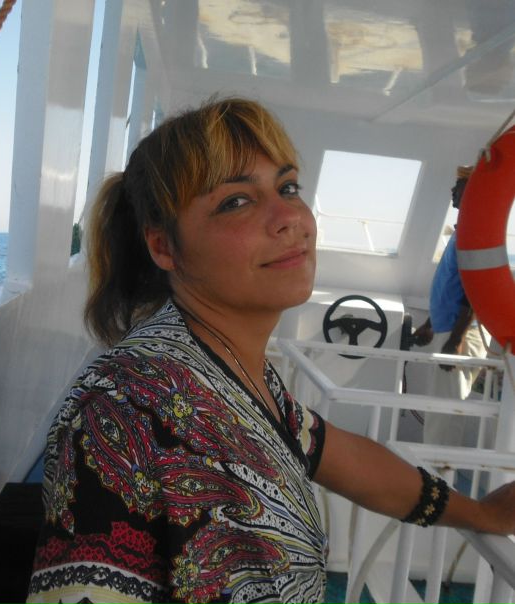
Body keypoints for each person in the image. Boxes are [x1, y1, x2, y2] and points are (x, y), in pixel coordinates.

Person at [26, 98, 515, 604]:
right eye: (235, 201)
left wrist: (480, 513)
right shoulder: (121, 411)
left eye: (287, 188)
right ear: (164, 247)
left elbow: (351, 462)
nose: (290, 218)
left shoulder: (237, 373)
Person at [414, 166, 490, 446]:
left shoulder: (474, 234)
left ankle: (440, 471)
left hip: (460, 334)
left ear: (473, 192)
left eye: (459, 185)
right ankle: (433, 469)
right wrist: (430, 324)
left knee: (446, 416)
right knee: (439, 412)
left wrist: (456, 340)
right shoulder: (463, 231)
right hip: (448, 329)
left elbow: (473, 293)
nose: (452, 191)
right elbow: (451, 287)